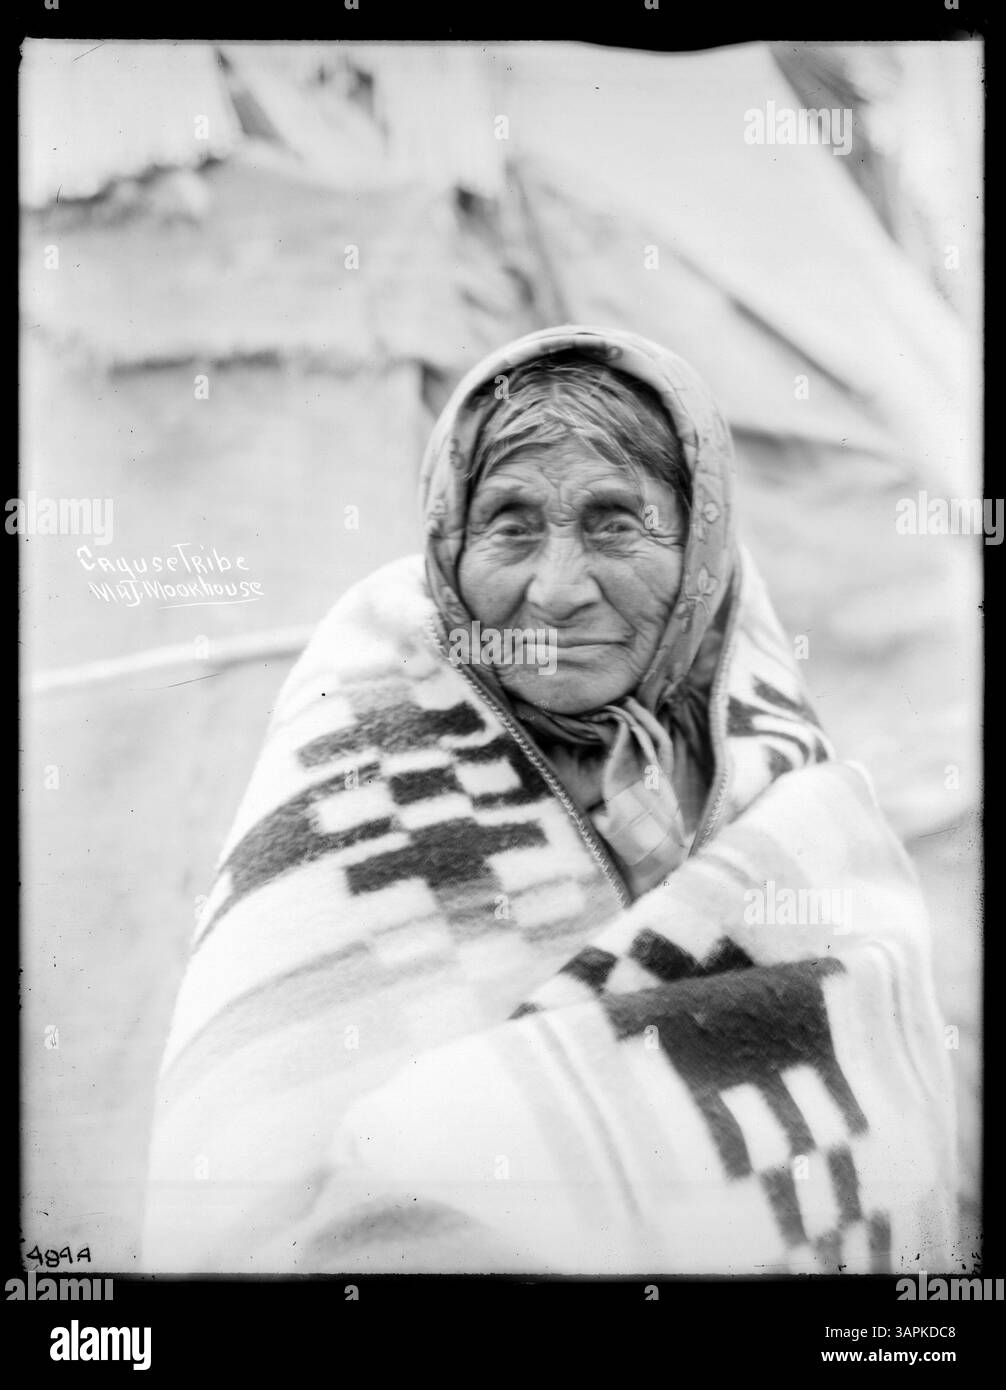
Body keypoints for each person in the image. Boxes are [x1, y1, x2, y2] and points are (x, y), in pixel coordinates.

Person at [143, 326, 957, 1274]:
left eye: (616, 522)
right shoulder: (357, 745)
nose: (557, 590)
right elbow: (252, 1175)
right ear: (450, 539)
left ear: (698, 539)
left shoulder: (787, 795)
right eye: (510, 525)